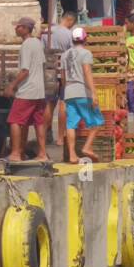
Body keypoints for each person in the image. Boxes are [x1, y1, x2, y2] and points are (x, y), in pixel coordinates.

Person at [6, 17, 48, 163]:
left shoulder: (26, 45)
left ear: (24, 28)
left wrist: (12, 85)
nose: (15, 29)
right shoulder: (37, 43)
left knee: (15, 121)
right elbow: (41, 65)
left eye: (18, 27)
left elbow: (25, 71)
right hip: (39, 90)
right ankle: (42, 153)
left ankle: (16, 153)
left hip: (27, 91)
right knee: (38, 122)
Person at [61, 27, 103, 163]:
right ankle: (87, 148)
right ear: (85, 39)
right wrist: (94, 93)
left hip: (69, 92)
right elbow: (87, 73)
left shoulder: (64, 55)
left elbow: (62, 77)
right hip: (83, 92)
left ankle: (72, 155)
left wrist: (66, 90)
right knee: (97, 122)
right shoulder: (86, 53)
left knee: (71, 124)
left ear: (72, 40)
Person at [42, 11, 76, 144]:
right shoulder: (68, 34)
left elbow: (42, 50)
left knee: (49, 104)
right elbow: (71, 55)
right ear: (70, 20)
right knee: (63, 103)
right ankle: (61, 138)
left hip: (49, 71)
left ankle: (43, 136)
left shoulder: (47, 31)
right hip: (63, 72)